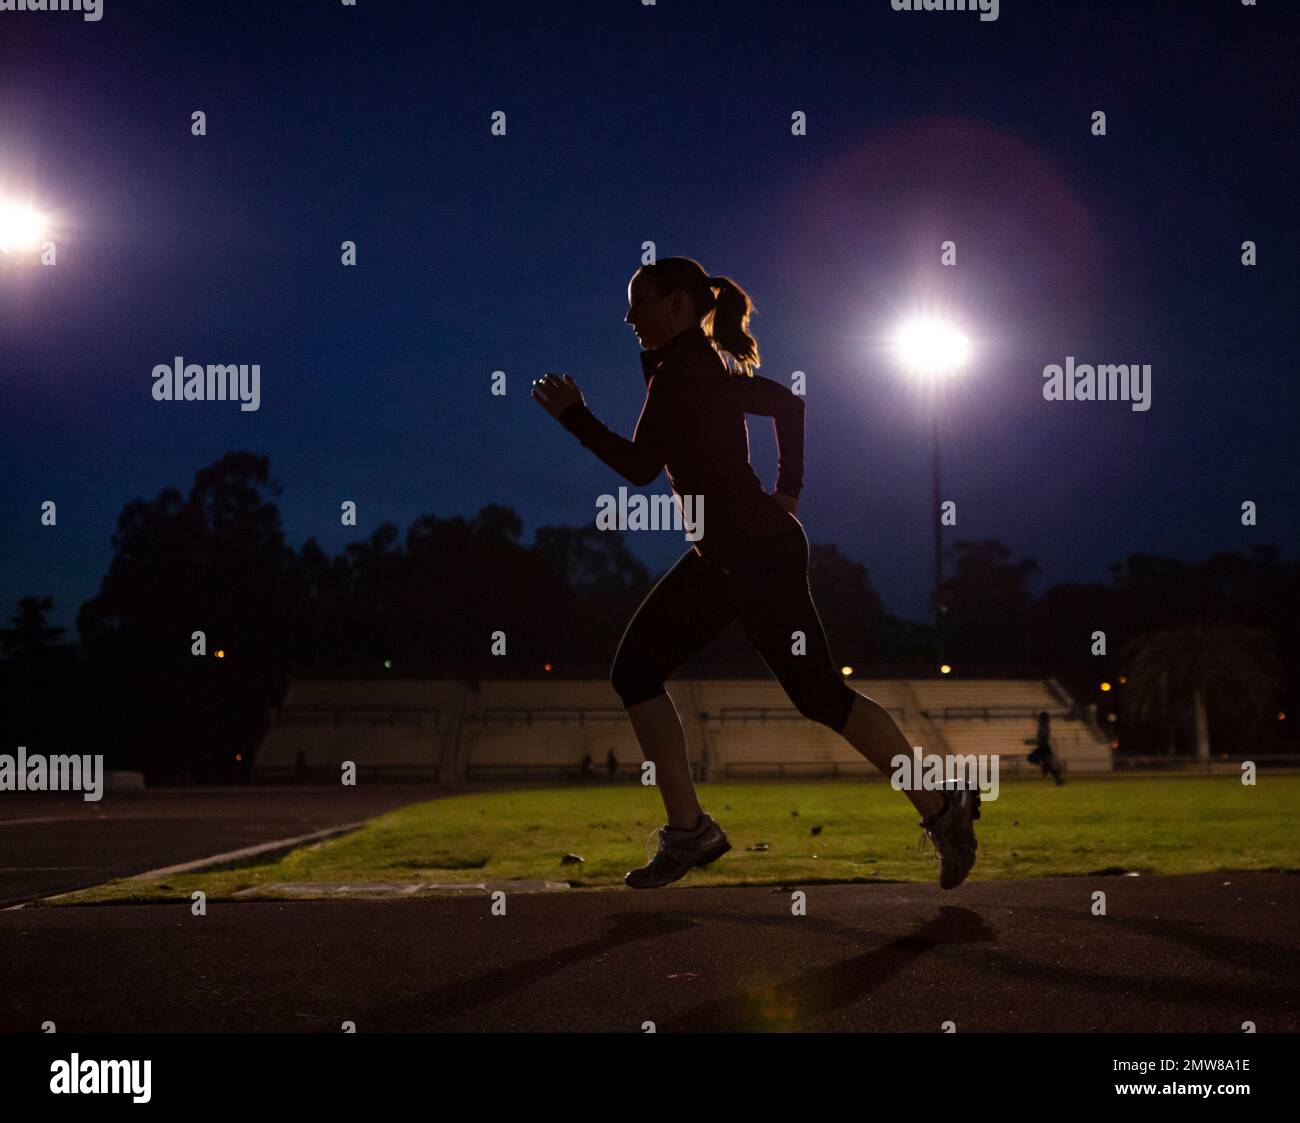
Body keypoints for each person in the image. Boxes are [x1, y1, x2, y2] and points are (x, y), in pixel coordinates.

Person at [532, 256, 980, 889]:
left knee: (821, 696)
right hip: (727, 557)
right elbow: (788, 405)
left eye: (640, 300)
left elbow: (638, 467)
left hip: (755, 556)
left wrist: (574, 416)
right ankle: (690, 831)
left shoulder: (685, 371)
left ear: (680, 303)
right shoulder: (691, 367)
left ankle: (942, 807)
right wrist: (787, 490)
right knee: (638, 671)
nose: (628, 315)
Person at [1024, 711, 1065, 785]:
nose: (1039, 719)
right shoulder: (1043, 726)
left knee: (1031, 758)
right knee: (1049, 765)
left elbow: (1040, 740)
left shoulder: (1043, 727)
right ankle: (1058, 778)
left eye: (1040, 718)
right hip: (1044, 748)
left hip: (1043, 748)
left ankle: (1046, 767)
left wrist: (1030, 741)